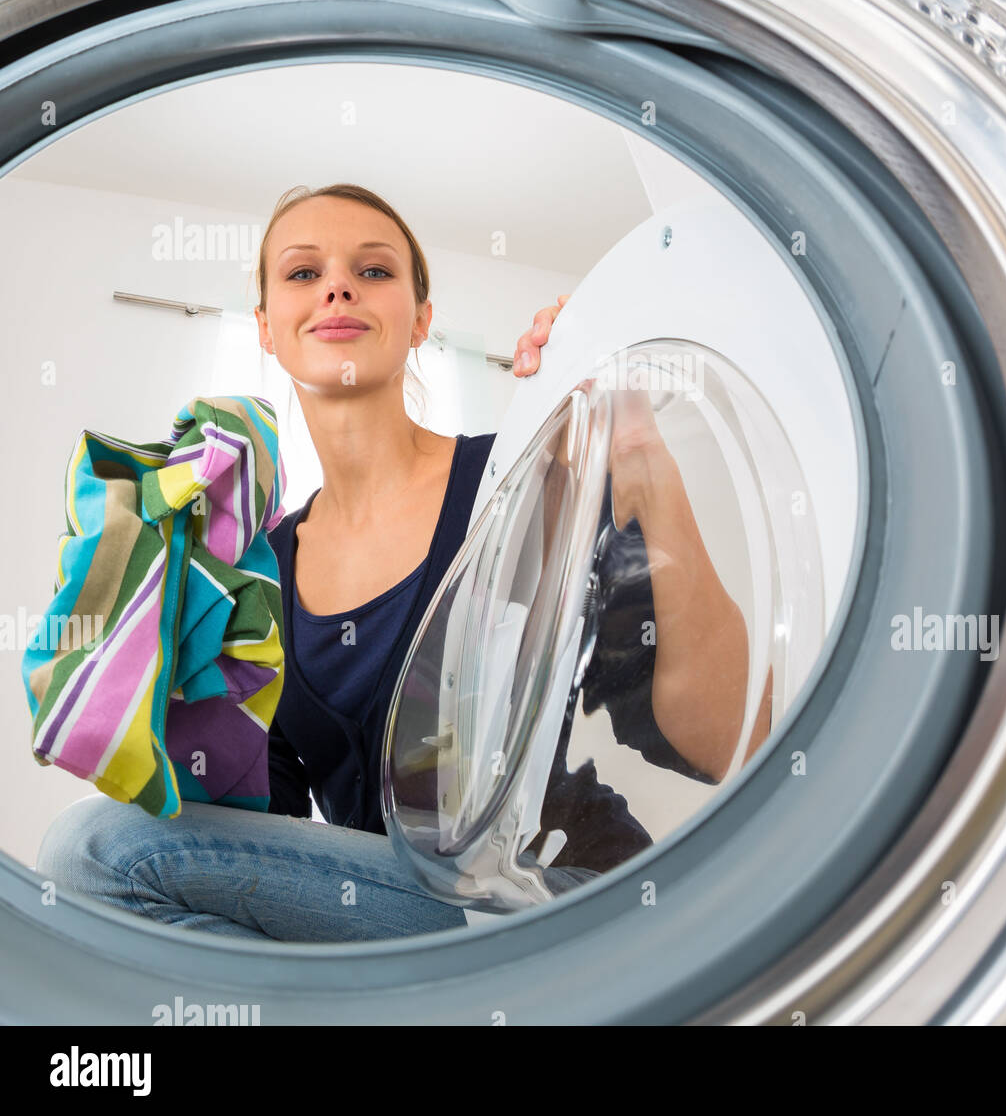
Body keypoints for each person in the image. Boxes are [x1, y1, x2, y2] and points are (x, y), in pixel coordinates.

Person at [36, 183, 770, 942]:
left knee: (89, 851)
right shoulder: (261, 566)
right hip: (405, 930)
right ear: (265, 326)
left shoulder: (522, 478)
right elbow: (254, 827)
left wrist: (639, 455)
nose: (337, 286)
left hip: (561, 899)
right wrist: (144, 668)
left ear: (421, 318)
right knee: (106, 869)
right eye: (301, 273)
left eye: (375, 270)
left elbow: (727, 742)